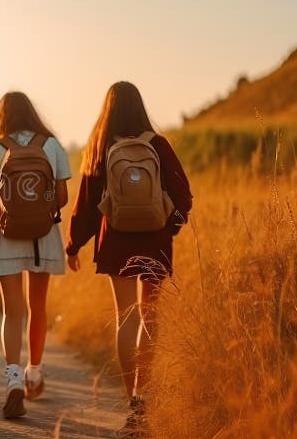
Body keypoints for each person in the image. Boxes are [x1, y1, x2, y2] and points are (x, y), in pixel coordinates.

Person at [65, 81, 192, 438]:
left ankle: (131, 401)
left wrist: (74, 245)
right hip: (155, 241)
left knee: (126, 317)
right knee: (150, 313)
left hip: (116, 241)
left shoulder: (101, 147)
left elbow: (87, 205)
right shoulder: (159, 145)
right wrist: (169, 228)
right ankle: (144, 395)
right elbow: (184, 195)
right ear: (140, 106)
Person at [0, 91, 71, 419]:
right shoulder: (51, 145)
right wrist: (41, 204)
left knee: (13, 310)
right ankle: (34, 371)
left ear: (1, 117)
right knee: (38, 306)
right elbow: (61, 196)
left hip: (3, 236)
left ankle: (12, 381)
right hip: (43, 235)